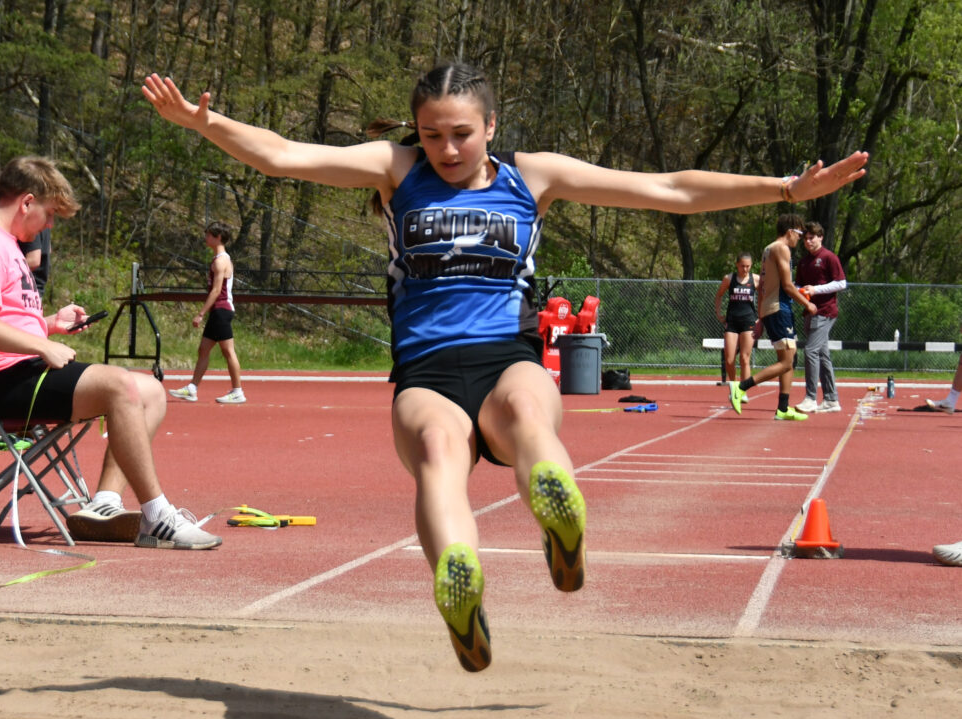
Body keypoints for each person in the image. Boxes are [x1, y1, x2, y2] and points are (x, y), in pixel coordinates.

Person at [142, 63, 868, 670]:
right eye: (431, 135)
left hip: (495, 354)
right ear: (414, 132)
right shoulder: (395, 169)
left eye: (461, 133)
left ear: (491, 126)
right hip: (429, 366)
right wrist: (206, 124)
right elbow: (282, 153)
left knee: (491, 429)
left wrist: (783, 188)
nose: (446, 149)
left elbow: (668, 188)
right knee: (456, 445)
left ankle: (543, 514)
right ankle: (463, 576)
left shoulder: (531, 175)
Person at [0, 155, 222, 551]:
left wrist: (51, 323)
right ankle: (157, 516)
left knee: (152, 391)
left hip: (22, 370)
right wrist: (42, 345)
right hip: (0, 385)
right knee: (119, 386)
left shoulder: (4, 245)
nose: (50, 225)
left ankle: (104, 503)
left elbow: (4, 318)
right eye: (50, 213)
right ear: (26, 202)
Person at [728, 215, 819, 421]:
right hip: (780, 308)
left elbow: (763, 287)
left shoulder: (768, 249)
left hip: (772, 309)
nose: (800, 239)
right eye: (800, 234)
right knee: (788, 361)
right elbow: (786, 286)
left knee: (787, 360)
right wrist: (807, 303)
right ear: (790, 232)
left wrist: (760, 317)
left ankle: (783, 408)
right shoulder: (782, 249)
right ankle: (741, 388)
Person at [168, 221, 246, 404]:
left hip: (221, 310)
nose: (206, 238)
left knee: (228, 351)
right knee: (203, 349)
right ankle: (192, 389)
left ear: (218, 237)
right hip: (219, 311)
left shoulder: (221, 261)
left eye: (209, 234)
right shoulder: (219, 259)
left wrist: (201, 313)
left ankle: (237, 391)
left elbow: (216, 291)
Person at [794, 221, 846, 413]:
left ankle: (811, 397)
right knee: (823, 355)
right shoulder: (803, 262)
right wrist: (801, 292)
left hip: (826, 311)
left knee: (810, 351)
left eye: (812, 238)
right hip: (810, 312)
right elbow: (797, 285)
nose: (808, 242)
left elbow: (841, 283)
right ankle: (832, 399)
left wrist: (816, 290)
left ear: (820, 237)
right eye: (805, 239)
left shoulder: (829, 257)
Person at [713, 252, 759, 387]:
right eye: (742, 266)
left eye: (748, 266)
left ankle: (743, 389)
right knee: (729, 359)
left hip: (749, 321)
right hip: (732, 321)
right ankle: (734, 386)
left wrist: (760, 317)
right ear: (737, 265)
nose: (745, 269)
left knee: (745, 358)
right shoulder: (729, 278)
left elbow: (765, 296)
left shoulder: (755, 279)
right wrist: (718, 312)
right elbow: (719, 295)